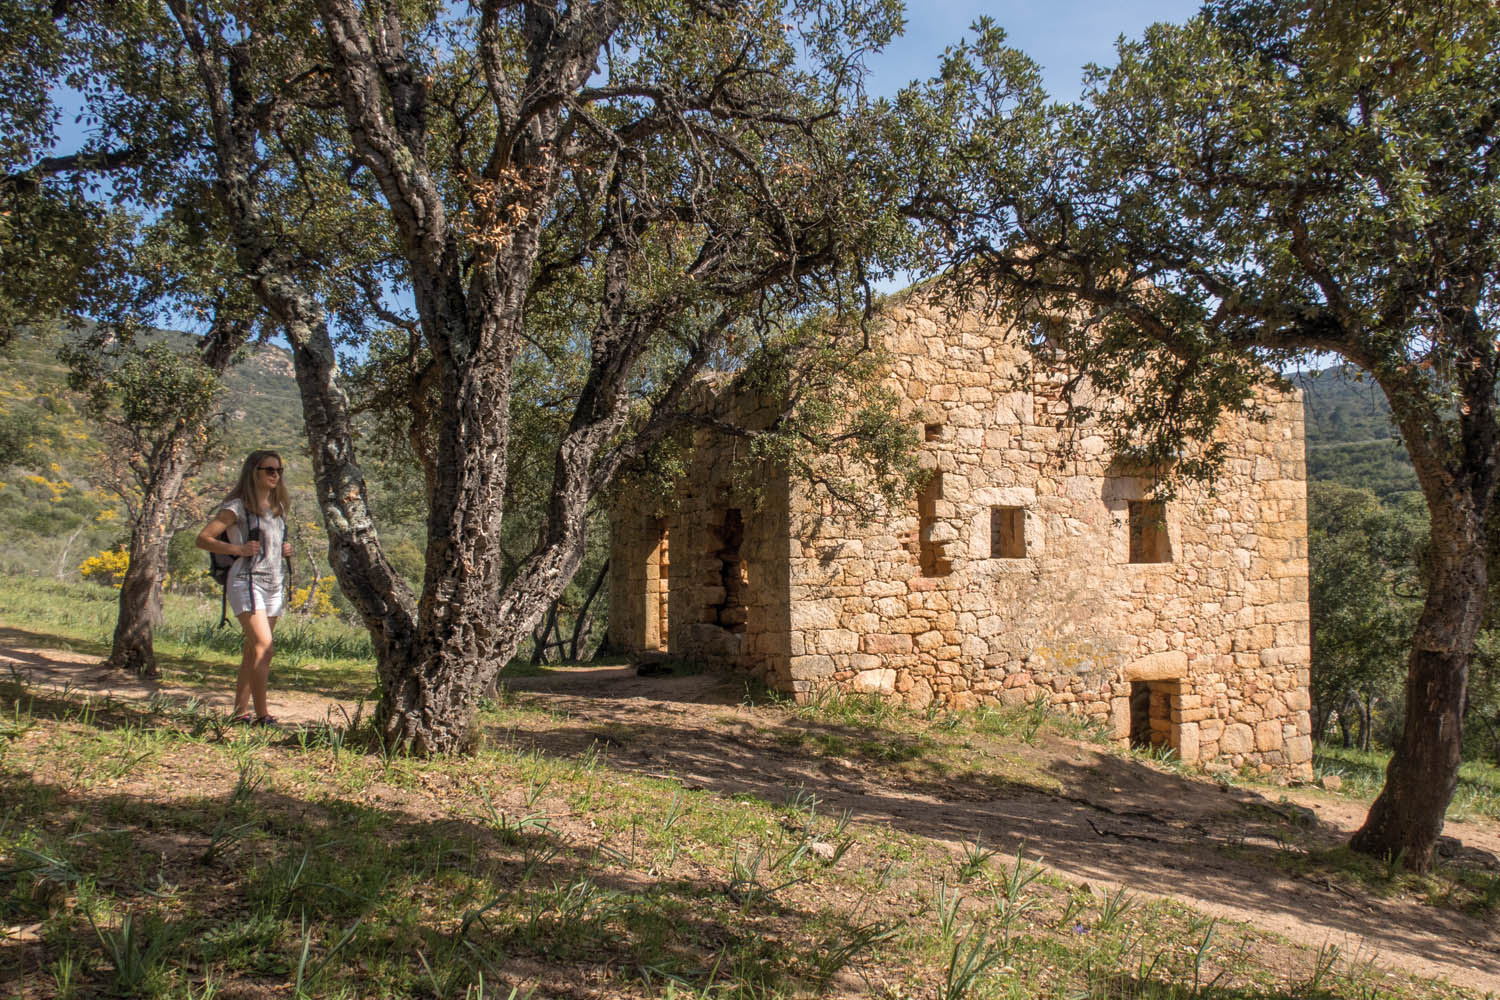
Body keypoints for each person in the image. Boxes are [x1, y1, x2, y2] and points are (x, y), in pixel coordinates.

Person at [196, 450, 292, 725]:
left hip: (274, 584)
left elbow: (272, 544)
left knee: (253, 650)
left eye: (279, 470)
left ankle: (240, 714)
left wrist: (284, 549)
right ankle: (263, 716)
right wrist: (237, 548)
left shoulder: (277, 509)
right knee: (264, 647)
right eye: (269, 470)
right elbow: (203, 539)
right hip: (245, 582)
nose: (276, 475)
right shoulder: (236, 507)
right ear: (254, 472)